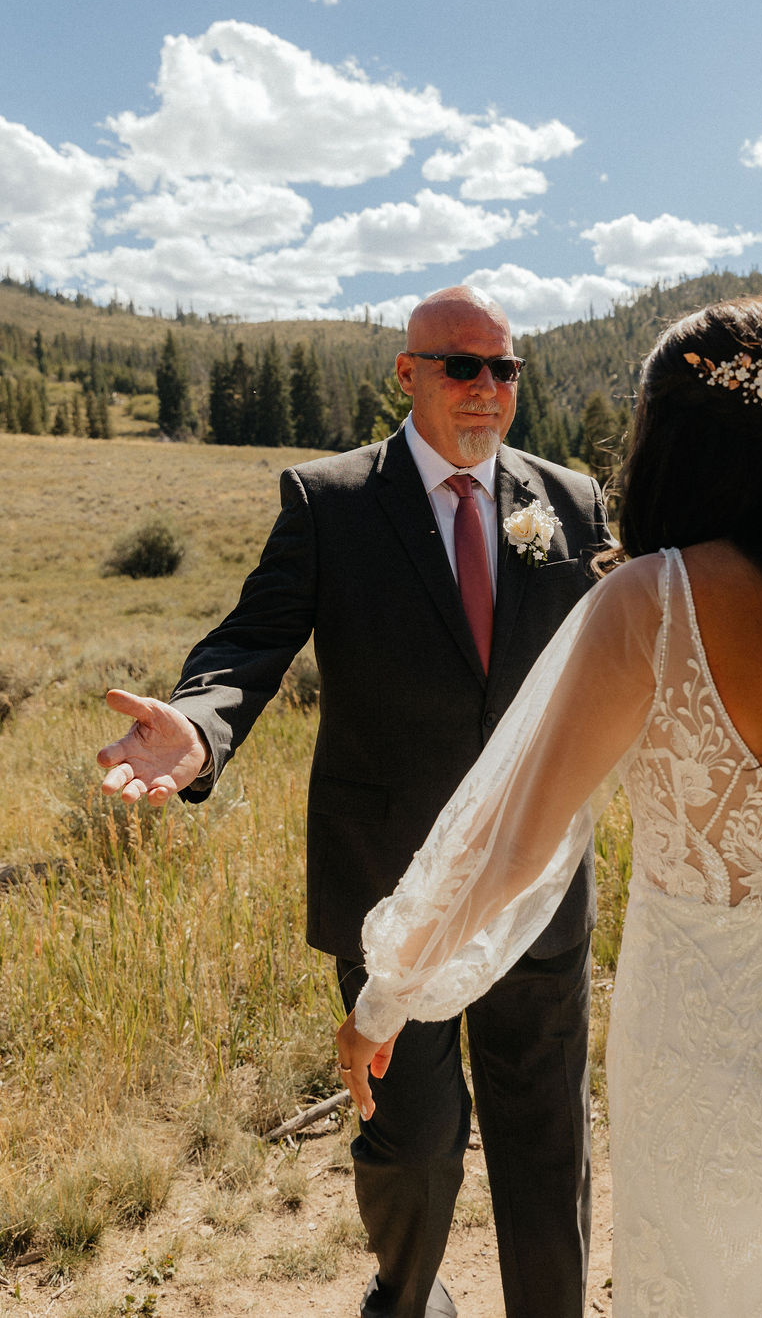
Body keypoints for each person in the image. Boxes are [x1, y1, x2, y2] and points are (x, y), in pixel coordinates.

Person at [336, 295, 762, 1316]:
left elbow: (511, 845)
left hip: (707, 1058)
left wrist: (386, 996)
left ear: (669, 439)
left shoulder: (654, 602)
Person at [97, 286, 612, 1318]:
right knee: (411, 1138)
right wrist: (198, 730)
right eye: (459, 366)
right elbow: (252, 641)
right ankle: (410, 1300)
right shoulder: (328, 500)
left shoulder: (572, 500)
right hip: (389, 883)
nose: (484, 390)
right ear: (406, 373)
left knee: (543, 1141)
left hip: (534, 884)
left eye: (503, 369)